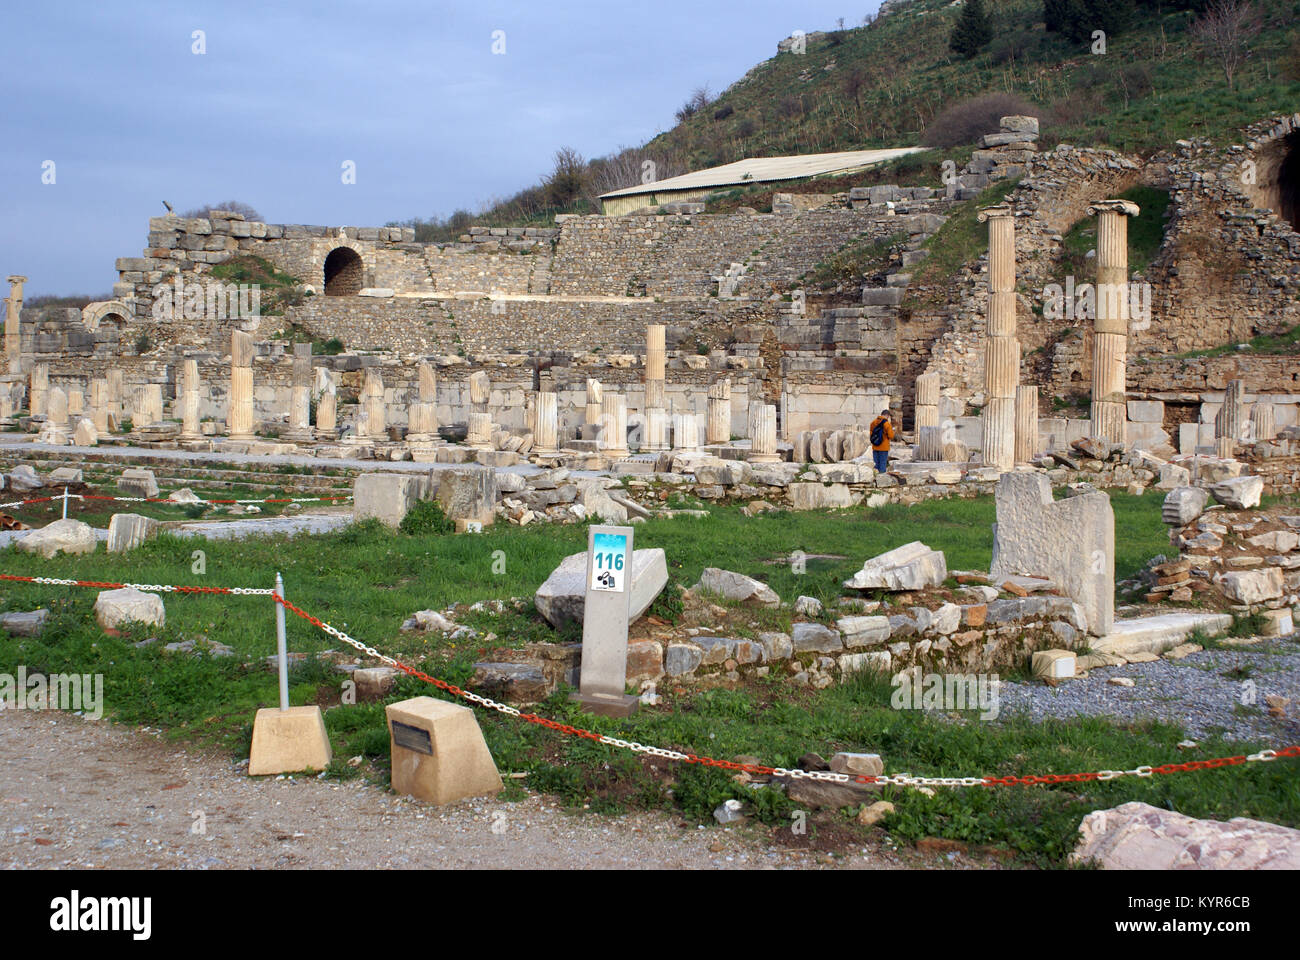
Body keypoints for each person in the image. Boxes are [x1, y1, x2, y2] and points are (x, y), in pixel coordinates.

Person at [870, 408, 894, 473]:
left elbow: (871, 433)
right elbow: (891, 436)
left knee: (875, 464)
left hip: (875, 446)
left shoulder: (873, 422)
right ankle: (881, 480)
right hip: (884, 447)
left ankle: (875, 477)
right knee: (883, 464)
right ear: (887, 415)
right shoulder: (887, 424)